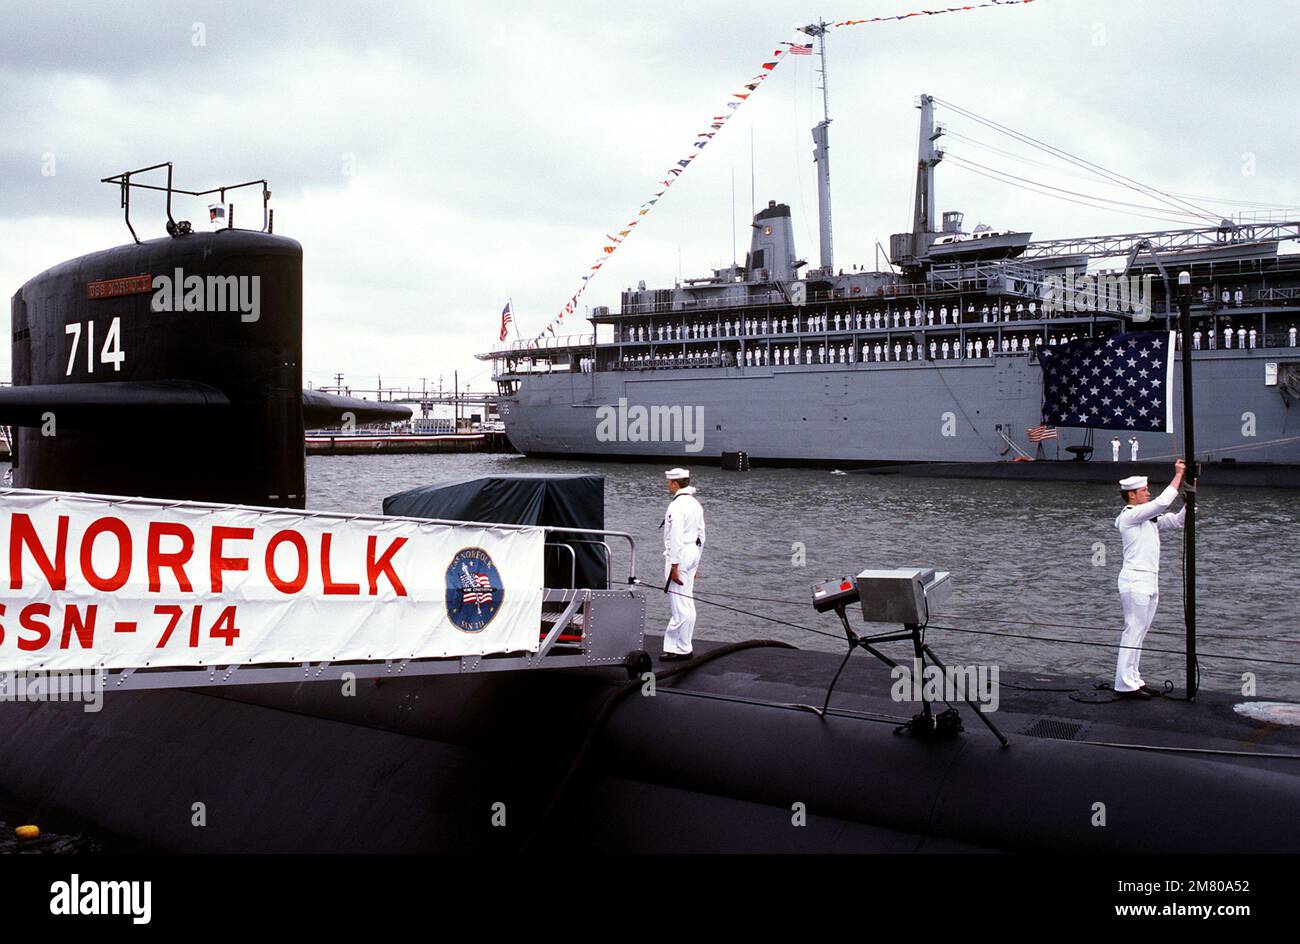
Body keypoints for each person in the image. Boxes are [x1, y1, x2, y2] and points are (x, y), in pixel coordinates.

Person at [1113, 463, 1187, 698]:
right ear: (1132, 494)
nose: (1148, 492)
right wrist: (1178, 475)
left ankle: (1134, 678)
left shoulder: (1148, 518)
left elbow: (1176, 521)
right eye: (1144, 490)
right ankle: (1124, 684)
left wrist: (1191, 500)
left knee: (1140, 631)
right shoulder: (1130, 515)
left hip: (1149, 580)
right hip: (1135, 581)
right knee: (1133, 629)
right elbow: (1162, 503)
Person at [661, 468, 706, 661]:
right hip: (693, 553)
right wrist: (696, 564)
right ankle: (684, 644)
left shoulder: (676, 506)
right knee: (687, 601)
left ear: (675, 483)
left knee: (679, 604)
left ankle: (679, 648)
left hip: (679, 556)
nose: (667, 485)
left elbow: (676, 537)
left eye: (668, 482)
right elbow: (702, 536)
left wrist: (674, 566)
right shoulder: (696, 504)